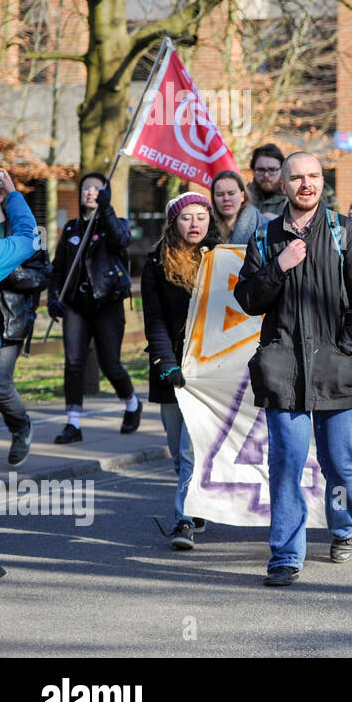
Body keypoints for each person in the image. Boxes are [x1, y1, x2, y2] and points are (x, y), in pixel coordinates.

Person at [234, 152, 352, 587]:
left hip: (338, 371)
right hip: (283, 372)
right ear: (282, 185)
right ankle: (285, 554)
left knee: (339, 462)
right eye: (297, 177)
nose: (306, 184)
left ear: (323, 182)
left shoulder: (346, 234)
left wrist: (345, 350)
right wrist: (278, 269)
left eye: (314, 176)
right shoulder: (265, 238)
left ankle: (343, 527)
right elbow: (247, 299)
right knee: (286, 464)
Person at [142, 193, 218, 551]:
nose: (195, 224)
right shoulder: (156, 264)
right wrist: (167, 362)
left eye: (201, 217)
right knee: (177, 448)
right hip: (170, 367)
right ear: (174, 222)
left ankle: (183, 519)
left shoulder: (221, 258)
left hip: (208, 371)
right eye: (187, 217)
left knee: (191, 449)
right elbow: (154, 320)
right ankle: (196, 498)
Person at [47, 172, 141, 444]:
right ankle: (73, 423)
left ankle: (132, 403)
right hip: (77, 305)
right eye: (86, 188)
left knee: (110, 363)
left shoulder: (115, 223)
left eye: (97, 189)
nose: (90, 192)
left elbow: (121, 242)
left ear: (105, 193)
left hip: (108, 303)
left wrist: (107, 208)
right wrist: (55, 297)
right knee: (73, 363)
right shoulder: (70, 229)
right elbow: (59, 269)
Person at [0, 169, 48, 580]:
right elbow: (29, 236)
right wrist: (12, 194)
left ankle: (19, 426)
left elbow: (36, 261)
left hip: (10, 327)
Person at [0, 181, 49, 469]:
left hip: (10, 321)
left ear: (0, 197)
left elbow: (42, 276)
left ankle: (21, 427)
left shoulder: (17, 233)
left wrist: (12, 272)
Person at [210, 169, 263, 244]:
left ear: (242, 196)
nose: (226, 199)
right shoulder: (205, 227)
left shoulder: (264, 225)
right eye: (220, 194)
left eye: (231, 193)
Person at [246, 144, 288, 219]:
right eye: (261, 170)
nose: (266, 175)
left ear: (282, 170)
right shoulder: (242, 197)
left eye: (272, 170)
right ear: (253, 170)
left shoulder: (293, 199)